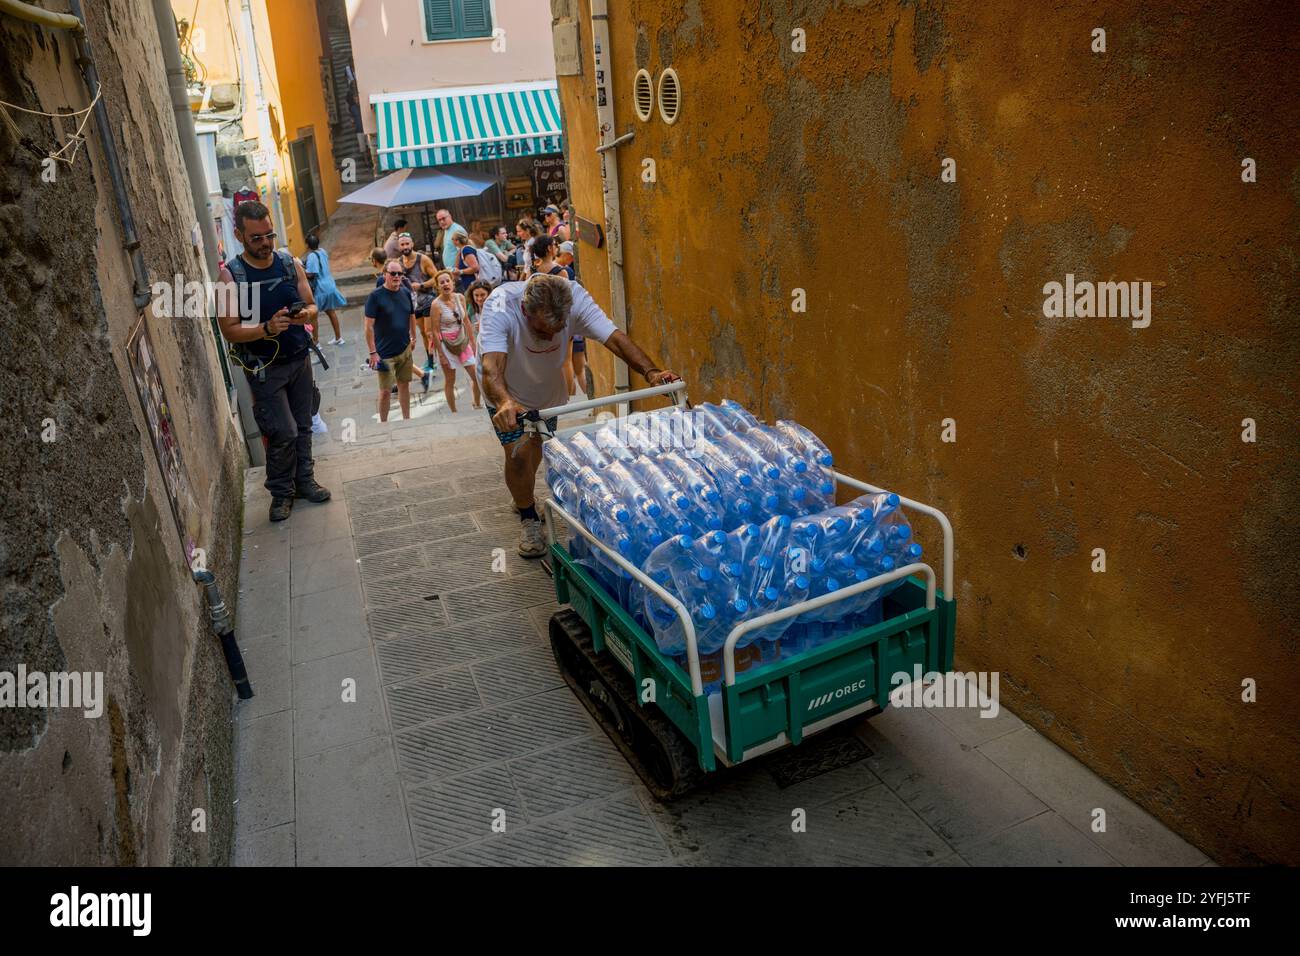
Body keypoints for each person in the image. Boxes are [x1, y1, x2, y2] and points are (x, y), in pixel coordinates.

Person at [479, 274, 678, 557]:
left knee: (536, 447)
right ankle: (528, 517)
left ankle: (520, 494)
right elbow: (491, 367)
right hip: (504, 391)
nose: (550, 337)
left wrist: (651, 371)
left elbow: (615, 338)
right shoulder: (501, 305)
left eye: (558, 330)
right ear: (526, 310)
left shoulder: (575, 297)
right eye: (542, 330)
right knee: (520, 453)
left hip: (546, 390)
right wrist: (504, 401)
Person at [217, 201, 330, 522]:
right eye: (256, 238)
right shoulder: (230, 277)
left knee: (304, 425)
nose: (265, 242)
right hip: (264, 369)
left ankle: (305, 482)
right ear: (239, 235)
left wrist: (301, 316)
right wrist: (266, 328)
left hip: (299, 359)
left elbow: (311, 305)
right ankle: (281, 493)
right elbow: (229, 330)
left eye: (269, 234)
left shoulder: (287, 263)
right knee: (283, 431)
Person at [365, 259, 419, 422]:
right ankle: (383, 423)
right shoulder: (375, 297)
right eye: (393, 273)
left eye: (400, 273)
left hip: (404, 349)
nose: (397, 276)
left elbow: (411, 315)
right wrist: (373, 352)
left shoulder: (405, 292)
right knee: (385, 391)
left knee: (404, 385)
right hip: (384, 353)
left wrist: (414, 336)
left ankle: (407, 419)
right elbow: (368, 327)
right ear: (384, 274)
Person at [430, 270, 483, 412]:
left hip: (463, 341)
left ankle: (476, 404)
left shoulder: (460, 297)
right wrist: (441, 355)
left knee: (476, 375)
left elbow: (466, 321)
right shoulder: (436, 305)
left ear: (453, 282)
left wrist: (473, 343)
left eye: (448, 281)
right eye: (442, 282)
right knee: (450, 379)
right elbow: (434, 331)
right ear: (437, 287)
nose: (445, 284)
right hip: (446, 344)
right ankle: (453, 411)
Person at [396, 233, 437, 389]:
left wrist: (421, 286)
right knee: (421, 334)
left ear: (412, 243)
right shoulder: (399, 263)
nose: (405, 247)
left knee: (429, 333)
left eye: (407, 244)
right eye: (402, 245)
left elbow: (437, 276)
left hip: (428, 301)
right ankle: (430, 358)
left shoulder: (423, 259)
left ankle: (432, 363)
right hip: (412, 305)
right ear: (399, 246)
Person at [304, 234, 347, 345]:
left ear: (307, 245)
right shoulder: (322, 251)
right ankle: (338, 338)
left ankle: (316, 342)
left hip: (320, 289)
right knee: (331, 312)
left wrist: (301, 270)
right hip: (330, 285)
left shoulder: (311, 256)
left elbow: (311, 274)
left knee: (313, 316)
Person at [436, 208, 467, 277]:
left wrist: (456, 271)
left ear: (450, 216)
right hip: (451, 271)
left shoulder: (457, 230)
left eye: (443, 218)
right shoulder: (447, 229)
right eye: (439, 220)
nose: (441, 222)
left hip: (458, 273)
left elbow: (462, 252)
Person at [464, 279, 493, 353]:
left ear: (489, 294)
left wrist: (484, 327)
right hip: (477, 345)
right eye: (476, 295)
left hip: (491, 346)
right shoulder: (471, 308)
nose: (479, 298)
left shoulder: (494, 308)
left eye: (482, 295)